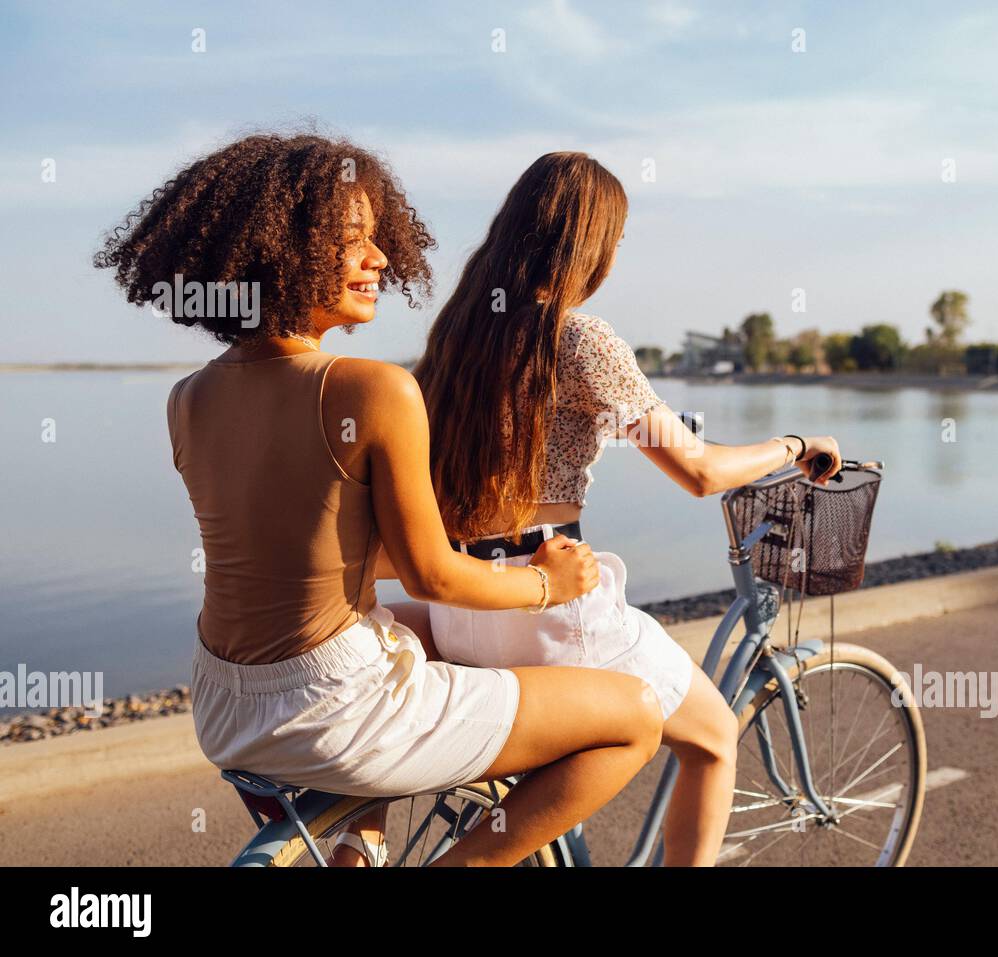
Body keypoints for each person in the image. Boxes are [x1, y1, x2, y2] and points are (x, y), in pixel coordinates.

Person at [93, 133, 663, 867]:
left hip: (225, 706)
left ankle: (356, 843)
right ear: (279, 250)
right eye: (354, 239)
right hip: (336, 713)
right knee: (633, 715)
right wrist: (550, 583)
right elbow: (432, 575)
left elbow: (319, 559)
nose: (382, 258)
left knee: (402, 632)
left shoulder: (188, 398)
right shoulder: (372, 388)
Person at [410, 151, 842, 865]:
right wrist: (793, 444)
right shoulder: (579, 338)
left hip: (467, 608)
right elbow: (699, 470)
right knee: (712, 738)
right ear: (591, 245)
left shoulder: (459, 338)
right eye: (614, 240)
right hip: (549, 612)